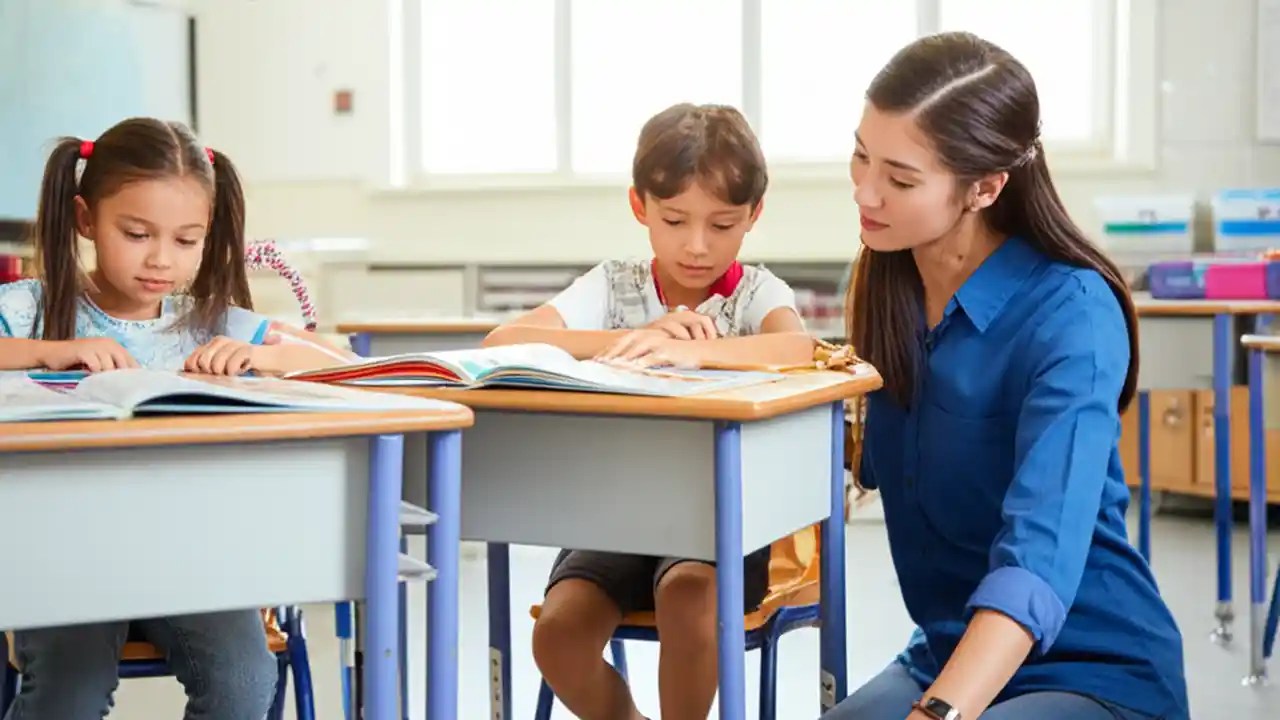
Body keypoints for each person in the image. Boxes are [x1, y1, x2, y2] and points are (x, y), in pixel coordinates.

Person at [824, 32, 1190, 720]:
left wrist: (936, 715)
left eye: (900, 179)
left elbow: (1037, 560)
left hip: (1091, 669)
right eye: (861, 155)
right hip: (945, 650)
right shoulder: (887, 278)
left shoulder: (1074, 315)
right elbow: (863, 465)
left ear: (986, 186)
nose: (864, 191)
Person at [0, 117, 353, 719]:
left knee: (245, 680)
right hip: (64, 555)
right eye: (136, 233)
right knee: (70, 690)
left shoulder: (211, 317)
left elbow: (340, 363)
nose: (161, 259)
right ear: (86, 220)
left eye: (187, 241)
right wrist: (46, 351)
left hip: (191, 555)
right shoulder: (32, 307)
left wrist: (263, 356)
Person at [484, 103, 814, 720]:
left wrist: (699, 354)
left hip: (719, 520)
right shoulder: (614, 286)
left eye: (722, 224)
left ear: (753, 216)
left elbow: (798, 348)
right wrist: (628, 342)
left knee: (690, 594)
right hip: (616, 516)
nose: (696, 245)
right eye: (674, 219)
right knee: (556, 635)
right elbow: (504, 343)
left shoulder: (756, 293)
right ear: (640, 207)